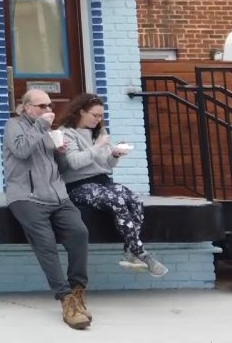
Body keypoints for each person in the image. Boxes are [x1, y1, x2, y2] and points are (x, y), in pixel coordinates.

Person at [2, 89, 92, 330]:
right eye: (42, 106)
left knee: (79, 233)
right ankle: (65, 300)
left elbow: (59, 167)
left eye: (50, 105)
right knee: (46, 243)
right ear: (27, 107)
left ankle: (77, 290)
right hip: (26, 197)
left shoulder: (48, 131)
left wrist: (60, 153)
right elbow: (21, 150)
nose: (48, 110)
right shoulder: (14, 125)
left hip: (58, 197)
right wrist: (42, 127)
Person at [55, 93, 168, 277]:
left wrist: (114, 155)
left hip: (103, 181)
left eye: (101, 116)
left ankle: (130, 251)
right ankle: (141, 253)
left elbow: (107, 165)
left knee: (134, 200)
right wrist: (98, 146)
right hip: (78, 184)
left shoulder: (100, 132)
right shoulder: (67, 132)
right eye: (95, 115)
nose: (99, 120)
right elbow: (74, 162)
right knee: (115, 200)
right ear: (82, 112)